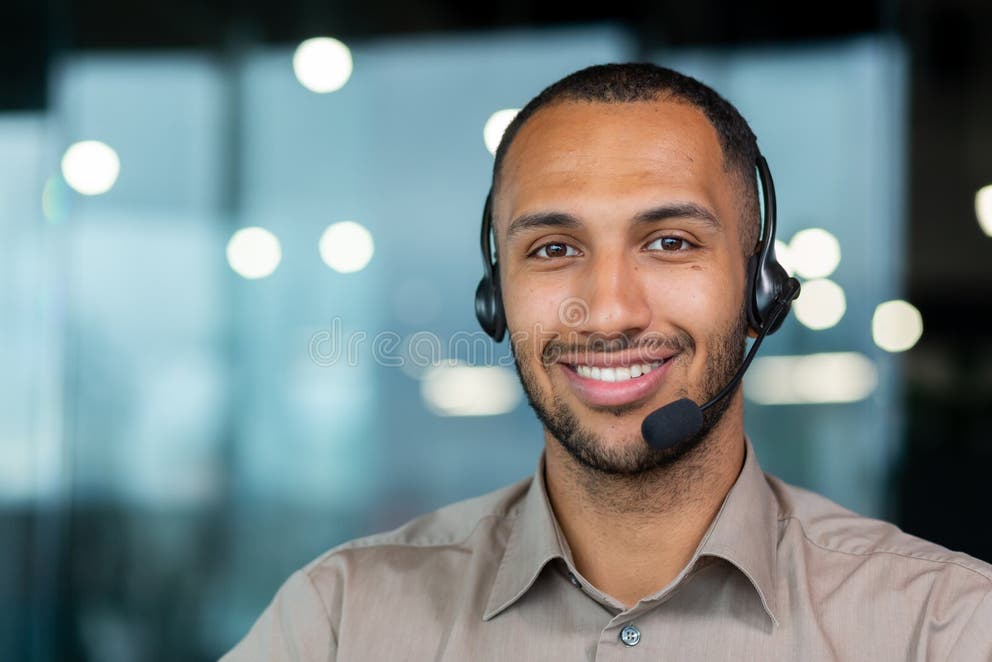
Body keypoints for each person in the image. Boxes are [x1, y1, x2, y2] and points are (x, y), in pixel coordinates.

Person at [221, 63, 991, 660]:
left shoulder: (944, 626)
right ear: (495, 298)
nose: (612, 309)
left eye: (670, 243)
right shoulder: (339, 620)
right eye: (554, 250)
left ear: (761, 290)